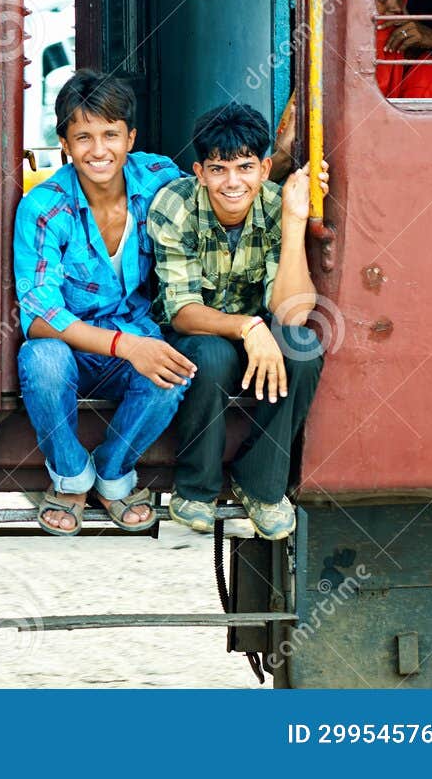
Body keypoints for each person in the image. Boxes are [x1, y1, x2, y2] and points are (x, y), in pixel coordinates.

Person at [13, 71, 194, 535]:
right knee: (42, 360)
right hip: (72, 346)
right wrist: (127, 347)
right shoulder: (44, 206)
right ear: (64, 144)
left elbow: (227, 192)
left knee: (172, 370)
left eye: (111, 134)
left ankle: (113, 473)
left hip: (134, 335)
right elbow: (40, 317)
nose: (99, 150)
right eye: (84, 137)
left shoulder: (159, 180)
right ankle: (72, 476)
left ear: (130, 137)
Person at [147, 102, 330, 541]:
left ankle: (262, 485)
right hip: (200, 333)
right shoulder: (174, 206)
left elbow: (290, 312)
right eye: (219, 169)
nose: (233, 182)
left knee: (303, 349)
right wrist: (249, 327)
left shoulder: (273, 205)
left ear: (265, 168)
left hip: (261, 333)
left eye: (246, 167)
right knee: (210, 355)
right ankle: (196, 488)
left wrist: (292, 221)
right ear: (200, 171)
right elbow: (184, 312)